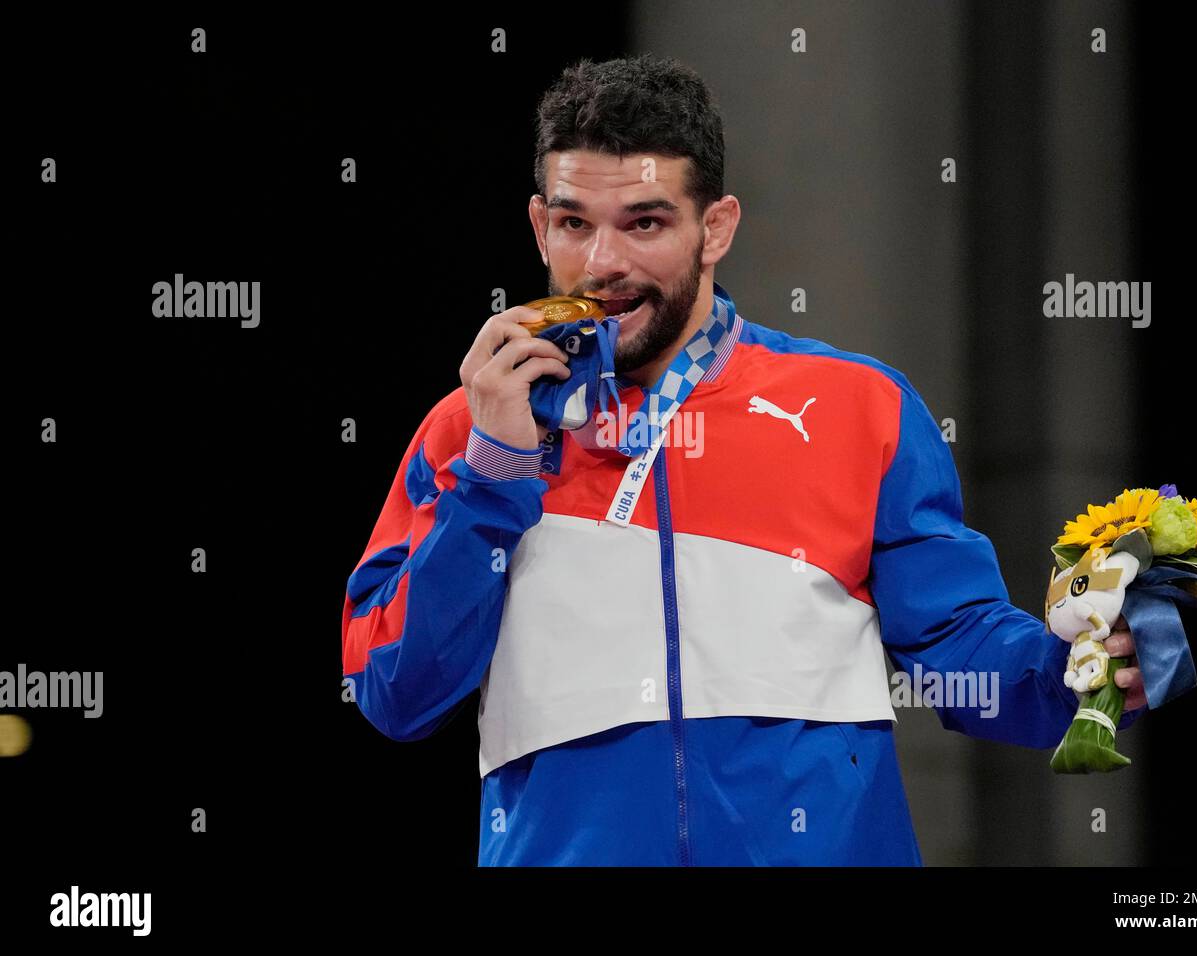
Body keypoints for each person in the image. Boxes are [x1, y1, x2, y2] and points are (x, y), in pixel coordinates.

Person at [340, 54, 1148, 865]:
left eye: (645, 223)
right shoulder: (474, 427)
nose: (601, 265)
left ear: (716, 227)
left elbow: (956, 649)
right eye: (573, 223)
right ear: (538, 224)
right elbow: (394, 693)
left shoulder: (856, 405)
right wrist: (493, 473)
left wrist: (1075, 669)